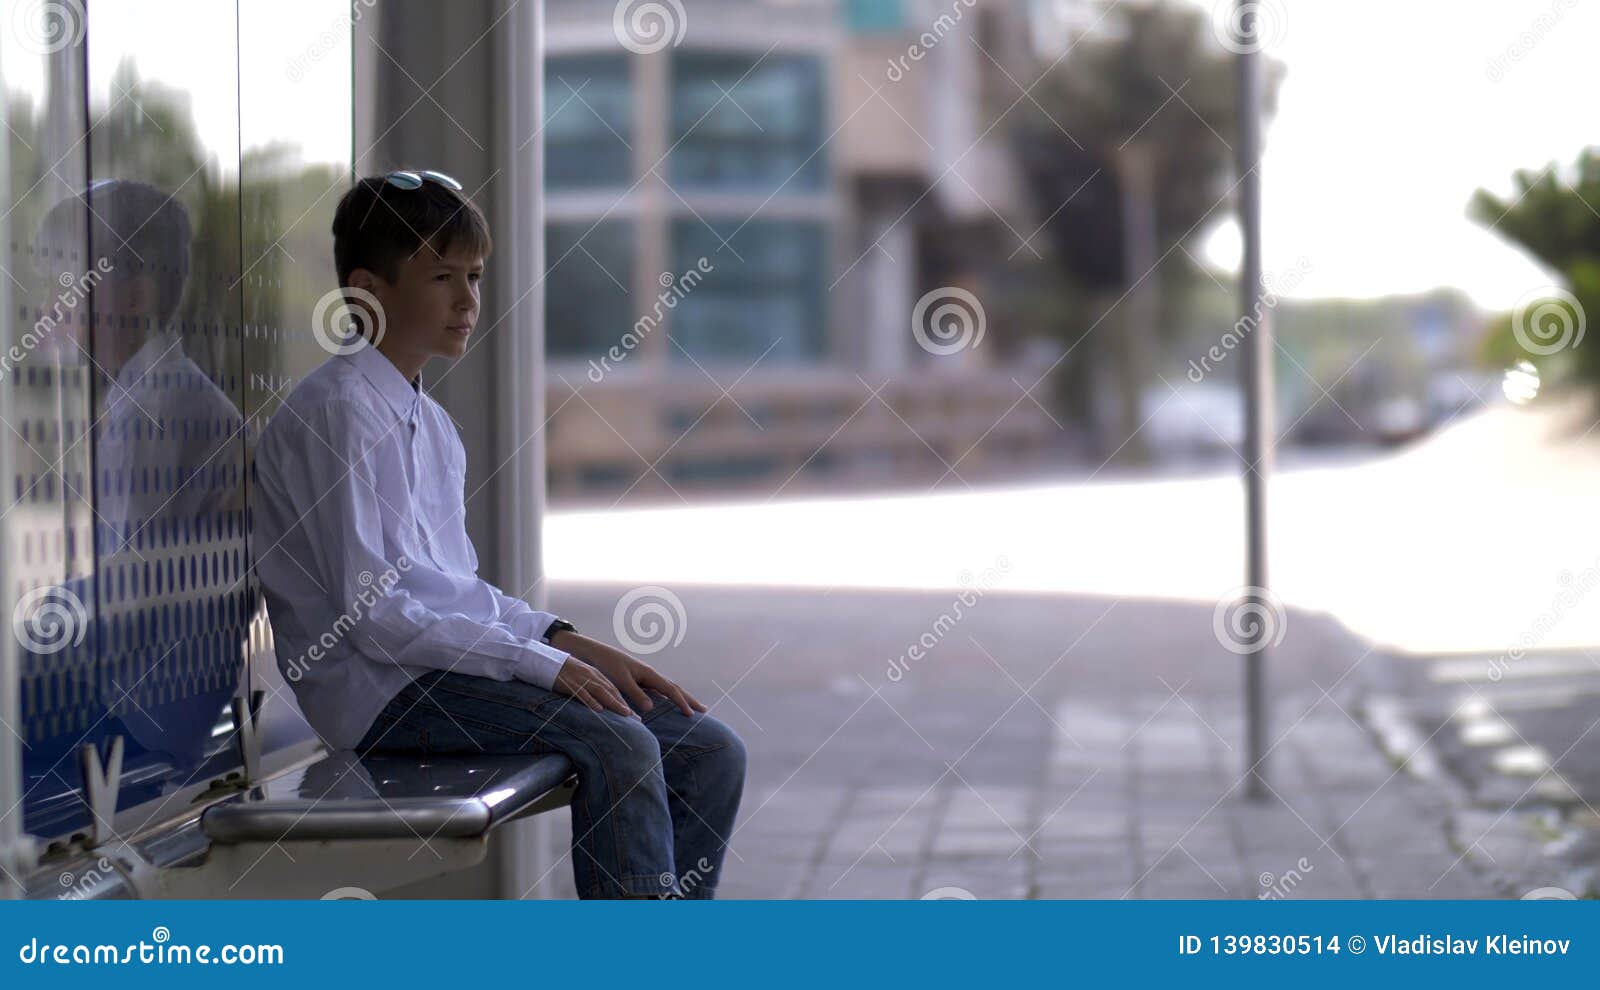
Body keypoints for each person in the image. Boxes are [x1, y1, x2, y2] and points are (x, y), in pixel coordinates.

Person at [250, 169, 744, 899]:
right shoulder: (340, 412)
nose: (467, 300)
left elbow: (454, 592)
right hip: (379, 690)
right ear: (367, 289)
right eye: (441, 276)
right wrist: (539, 667)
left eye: (475, 276)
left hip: (433, 671)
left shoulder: (431, 424)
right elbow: (375, 615)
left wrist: (566, 641)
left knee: (708, 751)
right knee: (614, 740)